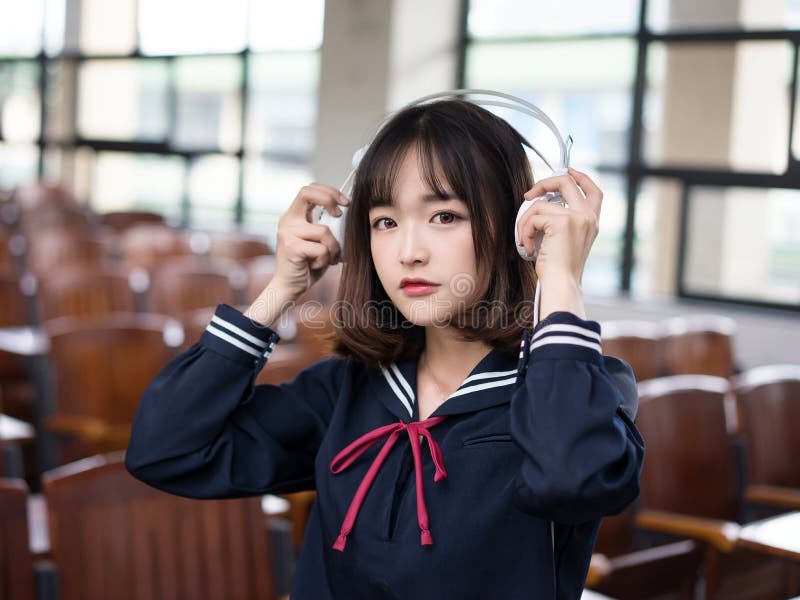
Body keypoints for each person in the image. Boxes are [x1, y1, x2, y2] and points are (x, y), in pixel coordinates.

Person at [125, 98, 644, 600]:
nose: (409, 253)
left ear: (520, 227)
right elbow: (166, 450)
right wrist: (281, 289)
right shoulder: (348, 389)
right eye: (385, 222)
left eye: (445, 216)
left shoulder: (577, 392)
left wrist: (559, 278)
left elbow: (573, 481)